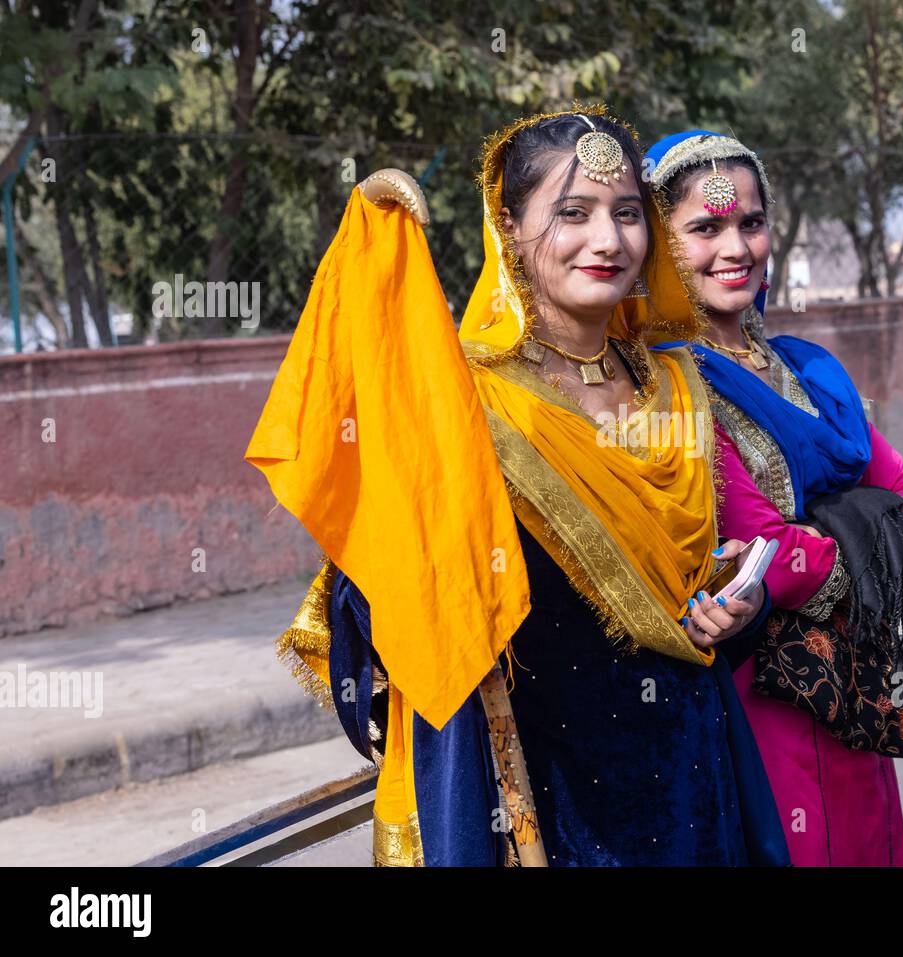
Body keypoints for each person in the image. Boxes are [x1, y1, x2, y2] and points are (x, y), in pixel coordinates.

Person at [247, 108, 790, 866]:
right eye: (573, 213)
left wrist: (742, 599)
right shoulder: (467, 404)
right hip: (540, 804)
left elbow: (698, 574)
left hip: (697, 777)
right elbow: (382, 593)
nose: (608, 240)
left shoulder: (676, 382)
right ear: (507, 226)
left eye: (627, 214)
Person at [648, 130, 903, 866]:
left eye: (750, 223)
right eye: (705, 228)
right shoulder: (670, 388)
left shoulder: (810, 369)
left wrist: (824, 540)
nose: (736, 247)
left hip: (856, 682)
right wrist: (867, 534)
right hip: (767, 687)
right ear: (661, 244)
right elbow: (761, 551)